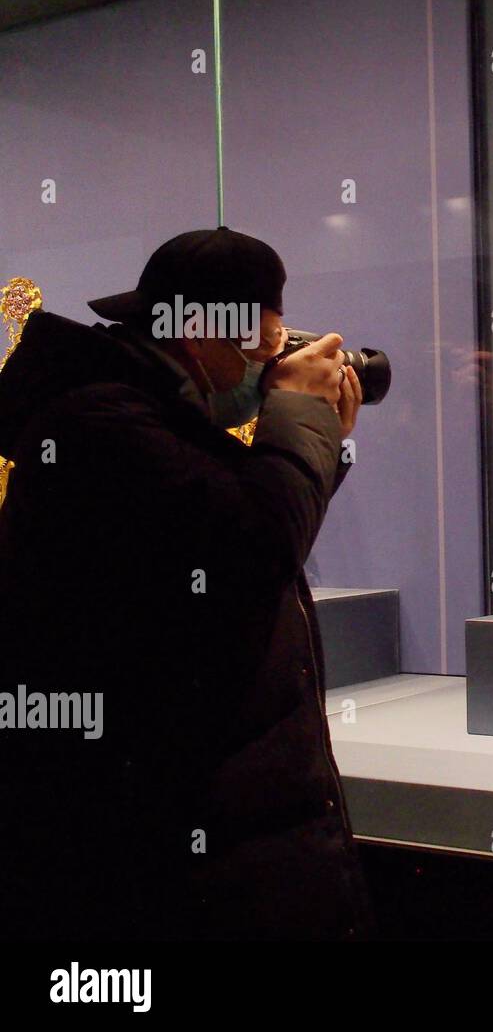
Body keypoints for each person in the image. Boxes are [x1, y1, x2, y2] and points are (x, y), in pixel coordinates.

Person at [0, 227, 375, 940]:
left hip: (194, 839)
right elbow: (254, 548)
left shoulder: (153, 421)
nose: (270, 369)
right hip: (164, 862)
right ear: (201, 333)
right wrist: (299, 420)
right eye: (264, 349)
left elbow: (228, 559)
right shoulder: (102, 424)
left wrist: (316, 441)